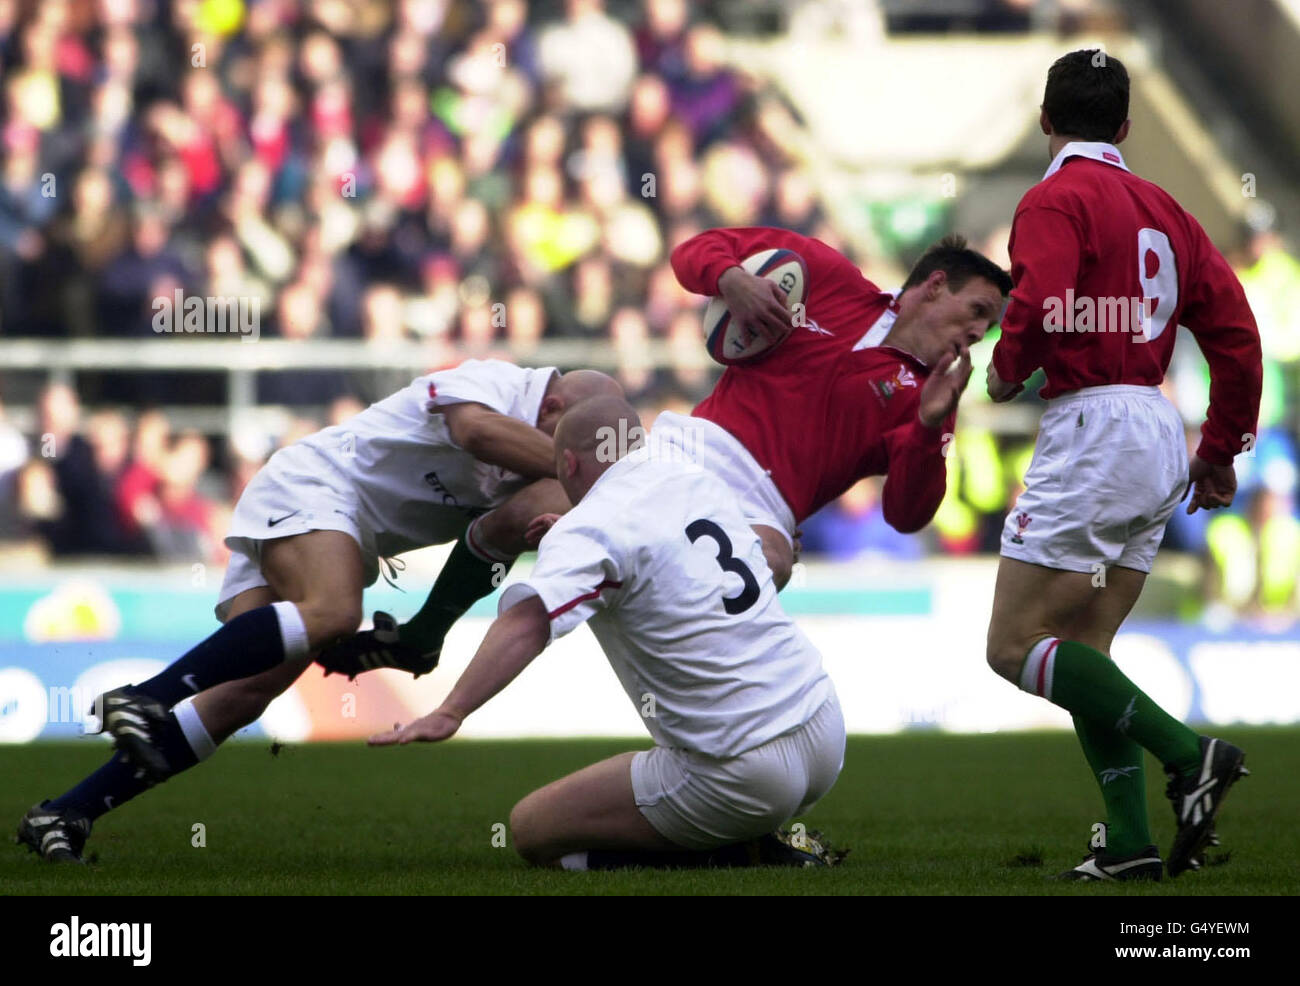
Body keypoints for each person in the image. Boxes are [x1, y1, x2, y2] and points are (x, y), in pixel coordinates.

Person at [18, 360, 621, 862]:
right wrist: (580, 475)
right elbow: (473, 432)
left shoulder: (536, 483)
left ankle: (66, 813)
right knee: (333, 612)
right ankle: (145, 697)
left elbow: (484, 547)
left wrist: (425, 632)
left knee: (242, 696)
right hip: (315, 486)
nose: (573, 466)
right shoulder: (498, 382)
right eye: (572, 447)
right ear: (554, 408)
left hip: (344, 533)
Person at [983, 50, 1262, 881]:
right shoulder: (1165, 208)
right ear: (1127, 128)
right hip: (1156, 426)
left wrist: (1005, 369)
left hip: (1092, 424)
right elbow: (1237, 337)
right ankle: (1132, 845)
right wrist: (1217, 451)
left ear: (1045, 120)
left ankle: (1190, 753)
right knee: (1084, 648)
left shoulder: (1053, 198)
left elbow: (1040, 301)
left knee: (1011, 646)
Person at [371, 396, 846, 868]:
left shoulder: (588, 531)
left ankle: (736, 856)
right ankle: (745, 838)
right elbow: (671, 546)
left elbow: (529, 623)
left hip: (740, 773)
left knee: (531, 831)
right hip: (823, 729)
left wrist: (451, 711)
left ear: (568, 464)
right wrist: (573, 533)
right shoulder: (693, 478)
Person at [663, 228, 1012, 586]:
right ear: (936, 285)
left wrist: (928, 426)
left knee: (773, 563)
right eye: (977, 310)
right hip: (697, 445)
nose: (979, 331)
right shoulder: (831, 278)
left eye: (988, 325)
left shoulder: (933, 399)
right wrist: (731, 279)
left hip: (765, 508)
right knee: (601, 394)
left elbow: (907, 516)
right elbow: (695, 249)